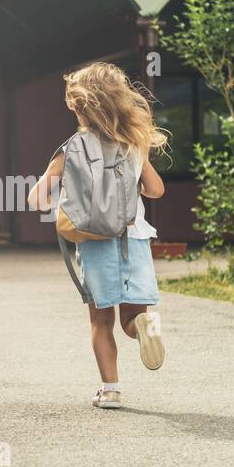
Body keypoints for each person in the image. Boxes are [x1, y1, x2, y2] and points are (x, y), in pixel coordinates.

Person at [28, 61, 168, 410]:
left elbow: (36, 197)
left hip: (94, 241)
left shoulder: (72, 147)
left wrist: (52, 196)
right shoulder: (134, 144)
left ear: (79, 107)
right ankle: (144, 325)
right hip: (133, 239)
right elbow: (155, 191)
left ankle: (111, 390)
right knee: (129, 319)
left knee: (101, 320)